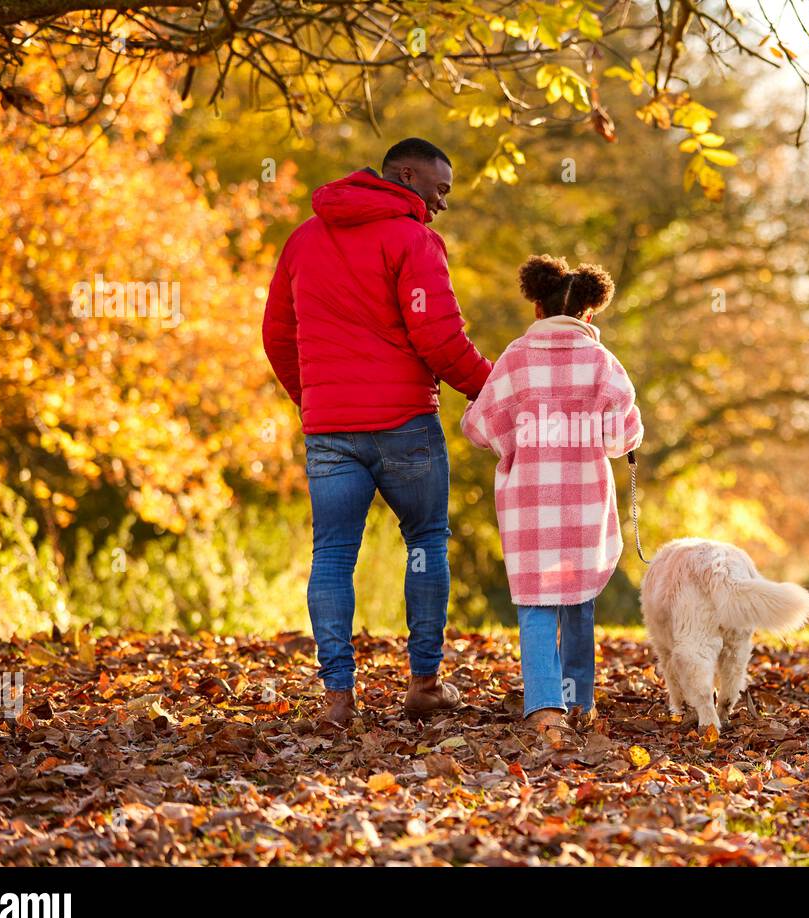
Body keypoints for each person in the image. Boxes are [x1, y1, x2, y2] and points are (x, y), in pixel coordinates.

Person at [262, 137, 492, 728]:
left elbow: (277, 335)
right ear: (407, 176)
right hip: (404, 426)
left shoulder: (303, 239)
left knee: (332, 556)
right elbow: (438, 337)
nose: (442, 203)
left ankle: (338, 698)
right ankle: (423, 684)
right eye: (439, 189)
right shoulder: (414, 240)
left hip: (330, 430)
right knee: (425, 543)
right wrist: (491, 389)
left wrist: (313, 398)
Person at [461, 254, 643, 736]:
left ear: (537, 309)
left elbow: (479, 427)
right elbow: (623, 436)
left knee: (537, 603)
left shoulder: (515, 358)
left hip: (528, 508)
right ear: (587, 314)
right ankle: (579, 699)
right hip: (584, 505)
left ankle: (544, 708)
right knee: (580, 598)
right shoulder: (603, 362)